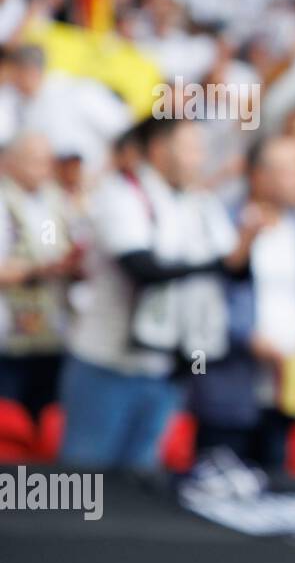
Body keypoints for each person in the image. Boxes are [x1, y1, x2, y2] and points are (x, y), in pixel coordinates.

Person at [59, 115, 261, 470]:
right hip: (107, 361)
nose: (198, 158)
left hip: (166, 366)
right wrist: (217, 262)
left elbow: (235, 267)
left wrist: (247, 242)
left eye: (200, 148)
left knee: (140, 479)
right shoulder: (121, 192)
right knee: (87, 478)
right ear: (158, 148)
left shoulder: (200, 202)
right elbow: (143, 267)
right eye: (189, 147)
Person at [189, 135, 295, 477]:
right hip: (231, 386)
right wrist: (247, 336)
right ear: (259, 175)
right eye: (289, 170)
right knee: (217, 484)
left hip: (291, 388)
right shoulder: (222, 220)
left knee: (275, 483)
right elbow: (208, 295)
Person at [0, 131, 80, 419]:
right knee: (8, 420)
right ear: (9, 162)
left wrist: (70, 265)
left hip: (52, 328)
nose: (42, 169)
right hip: (9, 335)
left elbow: (60, 248)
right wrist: (36, 270)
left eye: (46, 161)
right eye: (33, 161)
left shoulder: (54, 200)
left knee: (47, 418)